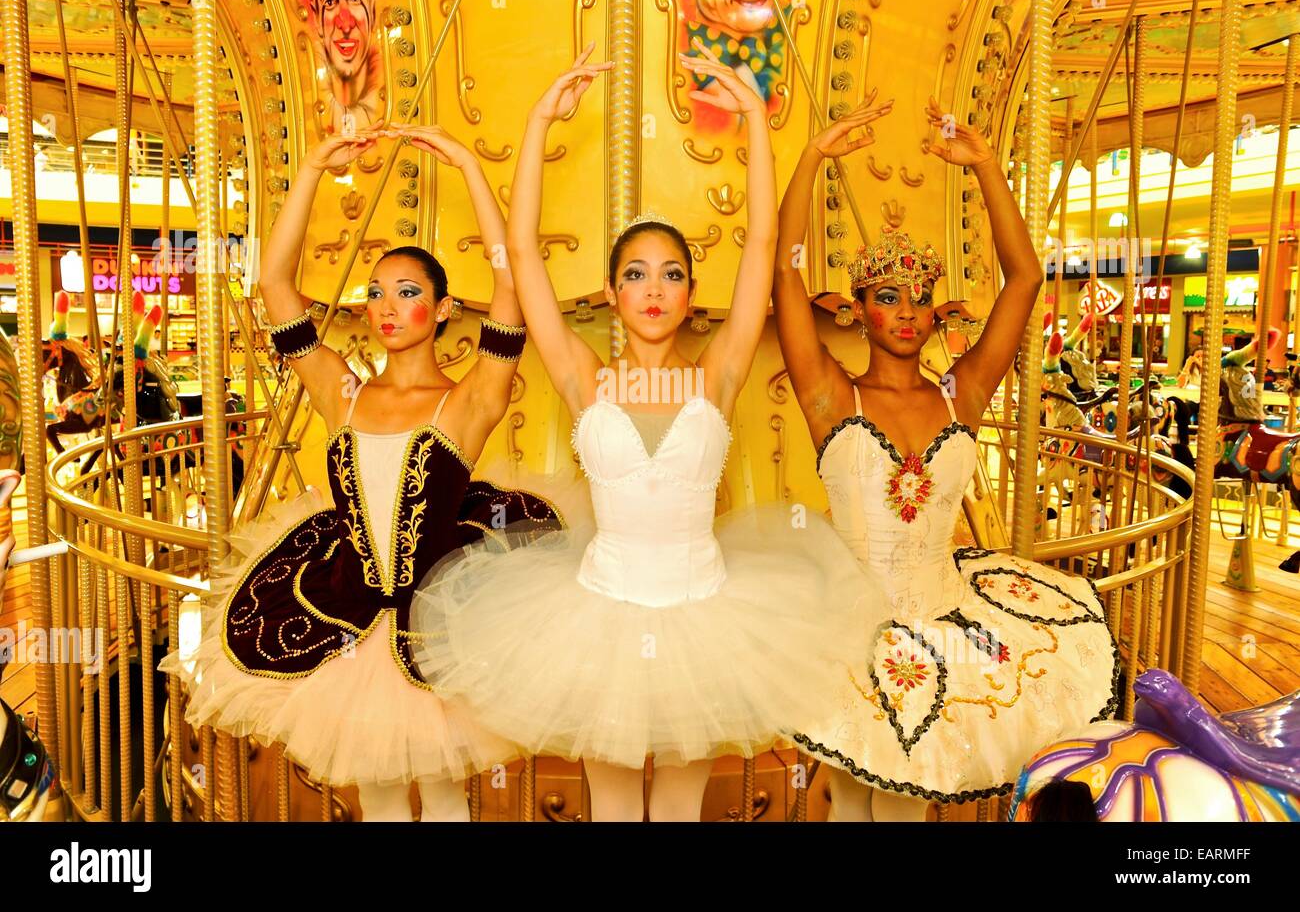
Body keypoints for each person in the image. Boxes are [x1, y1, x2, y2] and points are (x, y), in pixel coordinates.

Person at [412, 43, 867, 822]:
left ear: (690, 294)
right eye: (635, 273)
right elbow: (519, 255)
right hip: (601, 612)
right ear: (613, 293)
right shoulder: (583, 375)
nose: (653, 289)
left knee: (683, 812)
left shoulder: (717, 374)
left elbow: (763, 244)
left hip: (708, 609)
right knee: (616, 810)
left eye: (670, 274)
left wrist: (757, 120)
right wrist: (537, 126)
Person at [161, 125, 562, 821]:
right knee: (377, 797)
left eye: (406, 291)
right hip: (344, 607)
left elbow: (509, 280)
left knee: (442, 795)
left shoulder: (468, 400)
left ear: (440, 309)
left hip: (436, 620)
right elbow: (274, 283)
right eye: (375, 291)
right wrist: (315, 163)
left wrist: (469, 163)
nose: (384, 306)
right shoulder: (340, 390)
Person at [772, 96, 1120, 820]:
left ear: (938, 311)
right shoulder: (832, 397)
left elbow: (1024, 278)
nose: (906, 310)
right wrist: (809, 158)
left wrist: (989, 168)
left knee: (901, 810)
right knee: (844, 805)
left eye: (919, 297)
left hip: (943, 620)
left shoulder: (962, 393)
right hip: (846, 630)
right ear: (855, 310)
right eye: (886, 296)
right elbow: (783, 276)